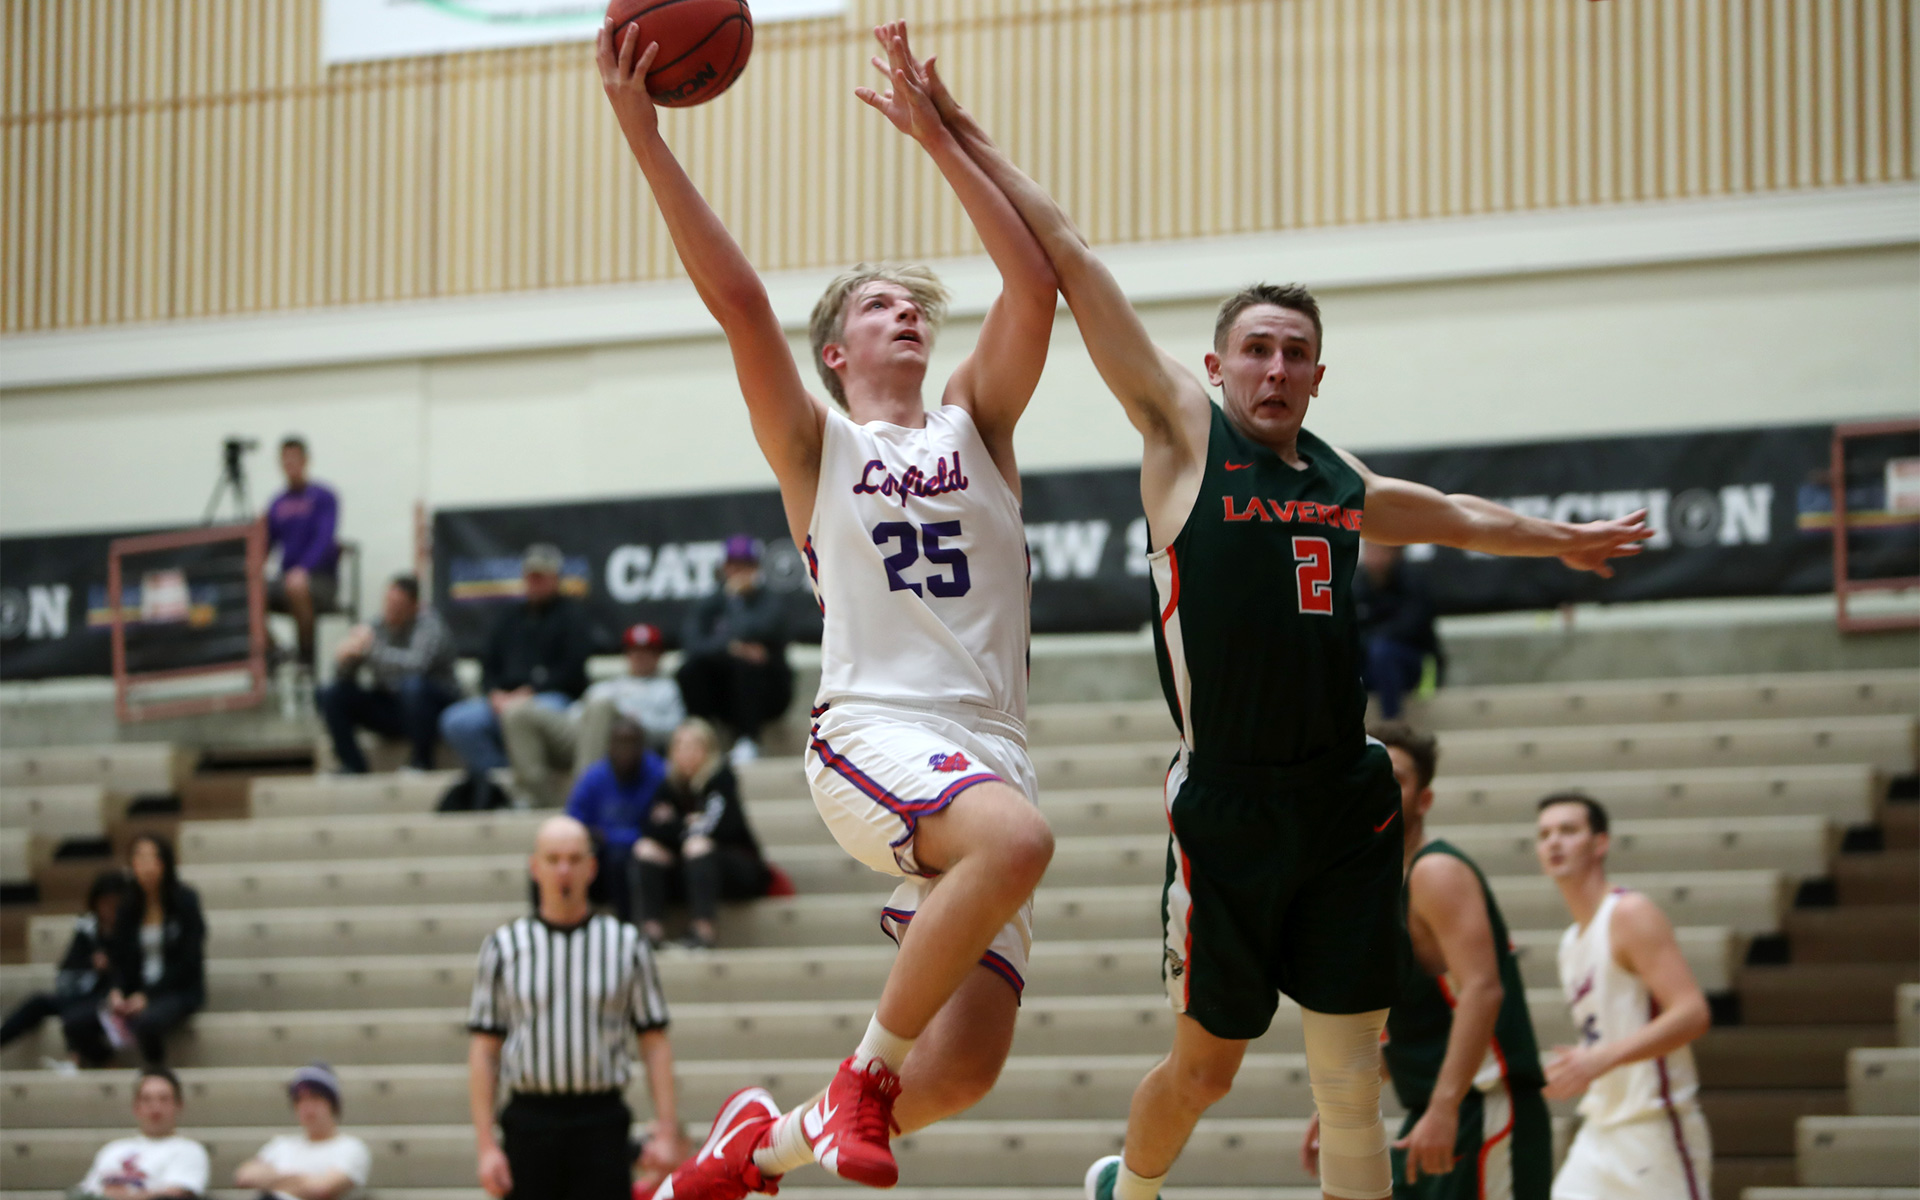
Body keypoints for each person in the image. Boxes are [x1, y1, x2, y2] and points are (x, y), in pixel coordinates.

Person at [910, 57, 1654, 1200]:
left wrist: (1563, 540)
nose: (1274, 366)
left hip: (1344, 796)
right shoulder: (1181, 433)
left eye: (1294, 352)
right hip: (1228, 802)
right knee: (1206, 1069)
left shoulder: (1337, 477)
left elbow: (1456, 516)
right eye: (1255, 349)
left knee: (1349, 1073)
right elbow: (1071, 258)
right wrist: (958, 139)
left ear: (1316, 376)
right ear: (1216, 367)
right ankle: (1135, 1186)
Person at [600, 18, 1058, 1195]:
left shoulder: (979, 425)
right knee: (1017, 845)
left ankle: (764, 1142)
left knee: (961, 1073)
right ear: (837, 353)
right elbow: (741, 303)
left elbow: (1034, 281)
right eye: (877, 307)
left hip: (987, 752)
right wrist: (645, 141)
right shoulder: (818, 443)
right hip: (875, 735)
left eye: (915, 304)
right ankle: (860, 1077)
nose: (906, 311)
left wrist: (944, 139)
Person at [1303, 725, 1549, 1199]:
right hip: (1436, 1111)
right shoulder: (1371, 890)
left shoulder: (1435, 872)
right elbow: (1414, 1028)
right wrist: (1340, 1105)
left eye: (1396, 778)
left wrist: (1444, 1107)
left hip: (1482, 1107)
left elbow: (1483, 989)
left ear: (1425, 798)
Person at [468, 816, 685, 1200]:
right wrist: (486, 1146)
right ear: (536, 868)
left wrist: (666, 1131)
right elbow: (485, 1050)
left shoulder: (626, 944)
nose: (563, 869)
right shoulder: (503, 946)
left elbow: (654, 1042)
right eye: (553, 859)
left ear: (592, 867)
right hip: (528, 1122)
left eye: (573, 858)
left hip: (601, 1121)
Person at [1535, 794, 1713, 1200]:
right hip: (1600, 1130)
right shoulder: (1569, 942)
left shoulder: (1630, 913)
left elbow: (1693, 1013)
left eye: (1568, 830)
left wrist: (1600, 1059)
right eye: (1544, 834)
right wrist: (1578, 1066)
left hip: (1655, 1128)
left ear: (1600, 843)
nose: (1554, 842)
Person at [440, 543, 592, 804]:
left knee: (522, 714)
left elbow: (573, 671)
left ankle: (535, 786)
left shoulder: (573, 616)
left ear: (555, 579)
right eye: (530, 577)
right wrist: (494, 694)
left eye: (541, 577)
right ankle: (501, 777)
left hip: (550, 698)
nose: (535, 583)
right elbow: (487, 666)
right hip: (504, 700)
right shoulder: (507, 617)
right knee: (456, 721)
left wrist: (530, 692)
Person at [632, 718, 774, 951]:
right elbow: (649, 828)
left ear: (708, 750)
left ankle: (704, 931)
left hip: (737, 867)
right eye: (680, 746)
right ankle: (651, 932)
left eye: (693, 746)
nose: (686, 752)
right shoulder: (668, 784)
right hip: (693, 868)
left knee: (697, 846)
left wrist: (675, 825)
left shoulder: (720, 779)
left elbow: (721, 828)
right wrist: (686, 824)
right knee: (646, 849)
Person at [69, 835, 205, 1067]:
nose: (141, 865)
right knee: (74, 1022)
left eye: (147, 857)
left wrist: (148, 996)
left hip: (176, 990)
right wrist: (116, 990)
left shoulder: (185, 901)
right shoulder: (129, 906)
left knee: (147, 1023)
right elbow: (120, 959)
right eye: (137, 857)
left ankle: (158, 1075)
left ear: (163, 863)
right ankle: (110, 1064)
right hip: (136, 991)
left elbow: (188, 961)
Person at [318, 573, 459, 773]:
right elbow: (344, 677)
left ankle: (421, 762)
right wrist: (348, 658)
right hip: (392, 706)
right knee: (330, 694)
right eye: (388, 602)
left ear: (414, 606)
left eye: (398, 604)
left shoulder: (430, 625)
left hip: (433, 708)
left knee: (412, 686)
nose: (390, 609)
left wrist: (370, 651)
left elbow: (416, 665)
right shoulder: (376, 625)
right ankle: (352, 765)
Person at [676, 536, 793, 764]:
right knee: (691, 670)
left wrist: (734, 602)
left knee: (746, 666)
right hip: (722, 690)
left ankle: (748, 739)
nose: (738, 572)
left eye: (745, 565)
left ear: (756, 568)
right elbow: (692, 645)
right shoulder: (709, 603)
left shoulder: (770, 602)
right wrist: (731, 647)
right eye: (733, 565)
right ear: (724, 567)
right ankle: (702, 735)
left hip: (768, 692)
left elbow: (761, 628)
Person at [0, 868, 126, 1065]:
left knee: (76, 1018)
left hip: (108, 996)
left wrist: (110, 967)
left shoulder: (130, 933)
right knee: (38, 1002)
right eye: (105, 903)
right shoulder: (86, 929)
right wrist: (90, 964)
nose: (109, 909)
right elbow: (69, 965)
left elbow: (133, 972)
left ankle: (96, 1059)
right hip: (79, 991)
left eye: (115, 903)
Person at [565, 717, 670, 926]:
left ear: (642, 746)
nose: (625, 749)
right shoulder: (594, 776)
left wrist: (611, 836)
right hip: (601, 857)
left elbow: (661, 825)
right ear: (609, 746)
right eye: (619, 742)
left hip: (642, 855)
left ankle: (629, 926)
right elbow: (572, 822)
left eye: (631, 742)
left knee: (621, 857)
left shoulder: (658, 774)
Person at [233, 1062, 372, 1200]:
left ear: (332, 1104)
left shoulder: (351, 1147)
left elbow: (322, 1189)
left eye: (315, 1098)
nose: (307, 1107)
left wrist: (271, 1180)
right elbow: (244, 1177)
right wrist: (305, 1181)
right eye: (299, 1100)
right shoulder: (281, 1145)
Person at [71, 1067, 210, 1199]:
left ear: (178, 1105)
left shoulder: (189, 1150)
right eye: (147, 1099)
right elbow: (84, 1193)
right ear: (135, 1107)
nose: (155, 1107)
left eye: (163, 1099)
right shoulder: (112, 1150)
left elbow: (174, 1196)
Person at [265, 435, 342, 669]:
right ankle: (275, 650)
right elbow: (267, 544)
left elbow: (324, 539)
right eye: (285, 461)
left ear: (306, 460)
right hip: (286, 579)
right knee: (249, 591)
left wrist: (303, 569)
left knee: (296, 585)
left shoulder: (324, 497)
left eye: (295, 459)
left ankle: (306, 657)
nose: (290, 465)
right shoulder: (276, 503)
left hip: (321, 581)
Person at [577, 622, 686, 764]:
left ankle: (586, 783)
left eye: (647, 651)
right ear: (627, 654)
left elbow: (676, 728)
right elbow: (577, 714)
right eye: (634, 651)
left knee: (602, 708)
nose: (640, 657)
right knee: (540, 714)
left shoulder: (667, 688)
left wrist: (640, 720)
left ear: (658, 656)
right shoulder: (608, 685)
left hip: (635, 741)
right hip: (590, 733)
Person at [1354, 543, 1440, 720]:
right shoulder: (1356, 585)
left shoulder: (1414, 581)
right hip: (1369, 665)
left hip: (1410, 664)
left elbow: (1412, 627)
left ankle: (1392, 722)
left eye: (1379, 551)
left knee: (1381, 652)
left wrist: (1374, 638)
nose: (1374, 557)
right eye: (1370, 551)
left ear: (1395, 553)